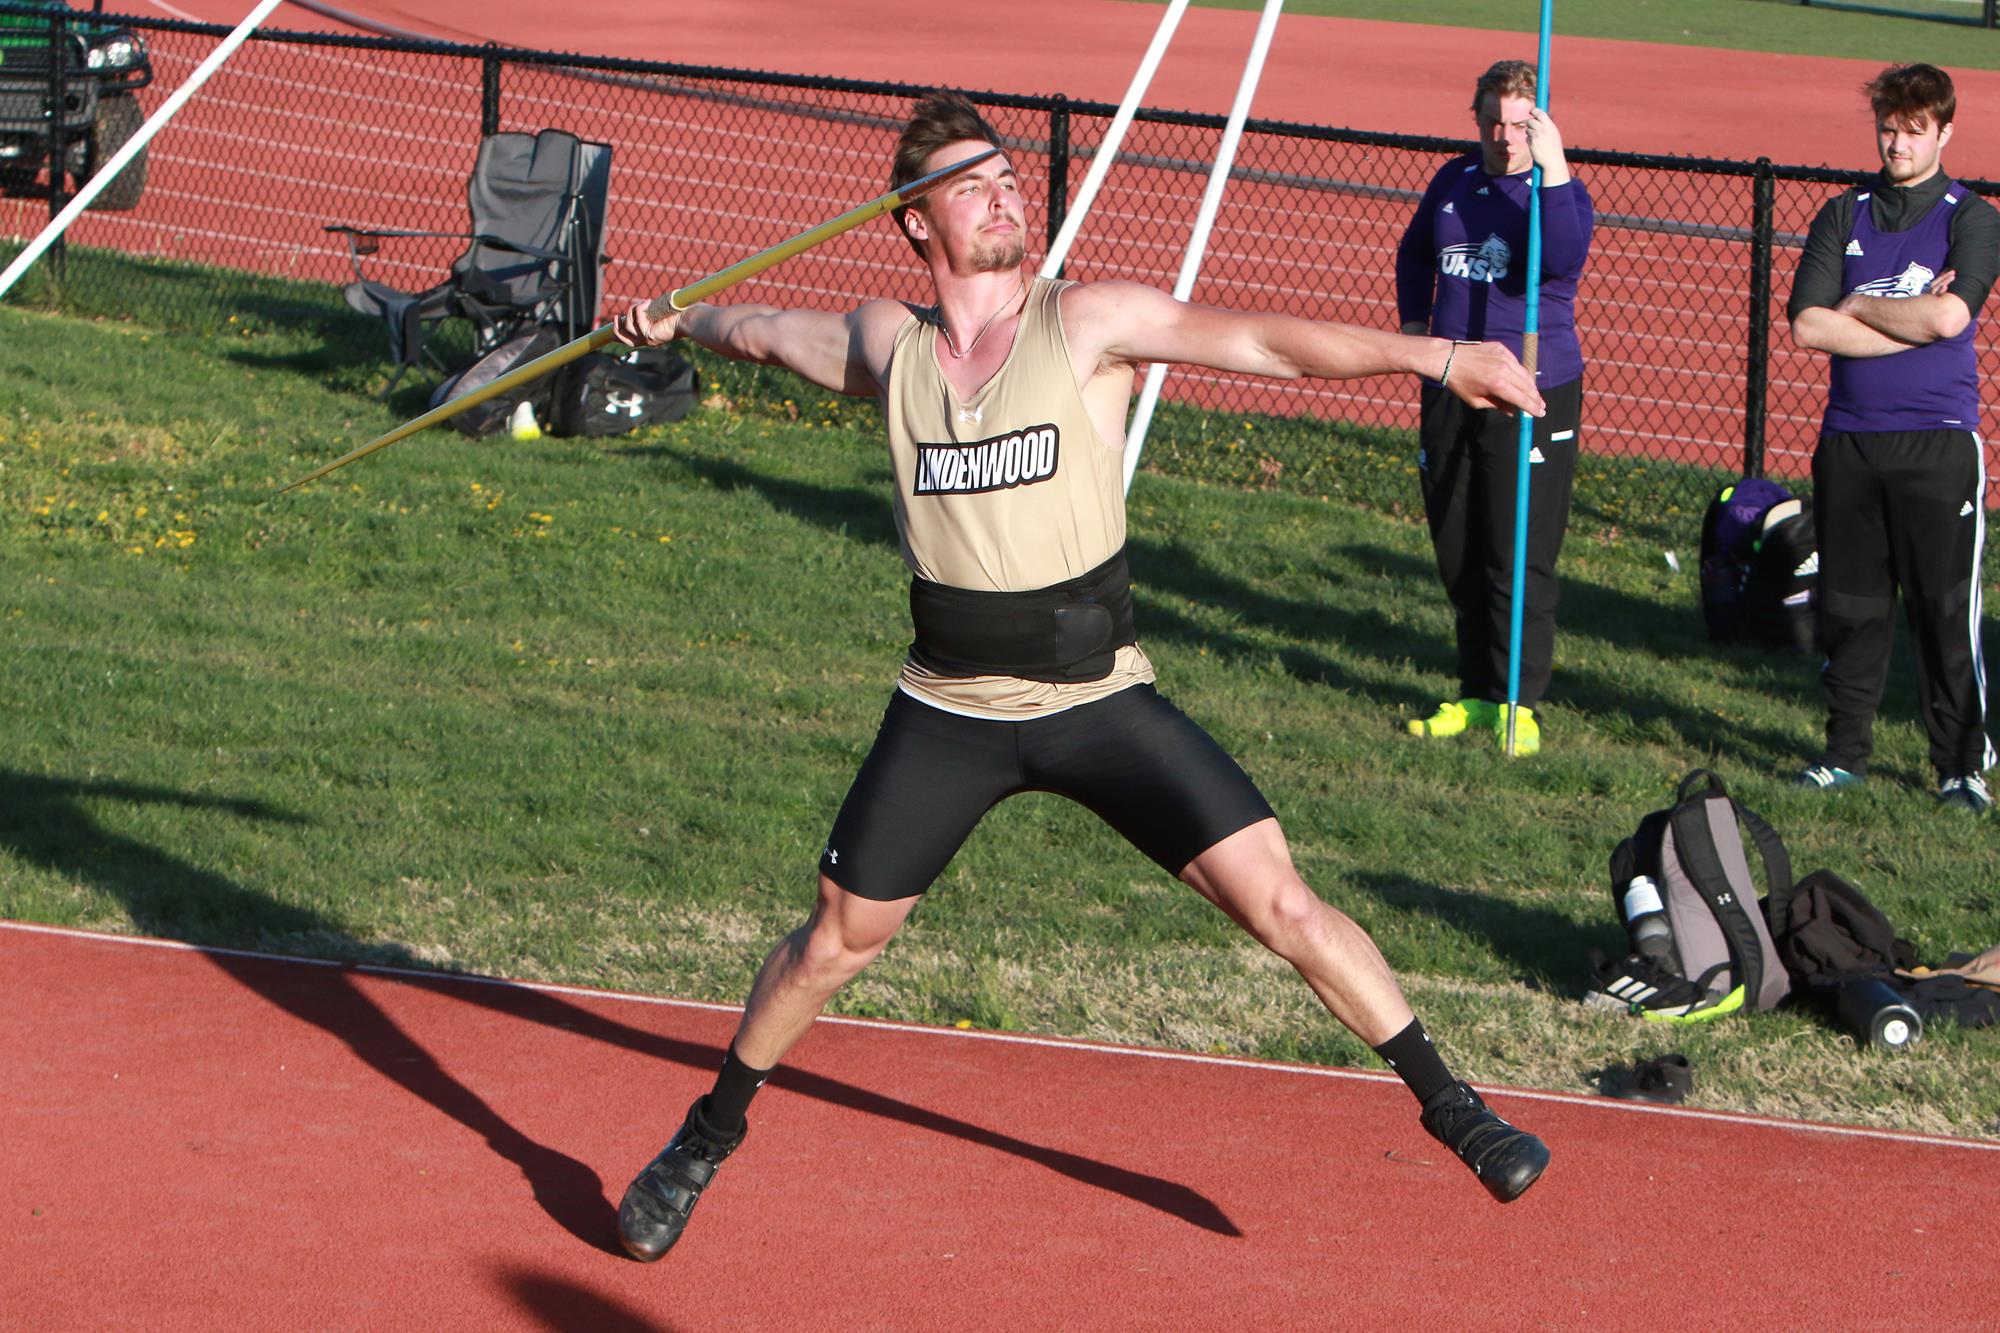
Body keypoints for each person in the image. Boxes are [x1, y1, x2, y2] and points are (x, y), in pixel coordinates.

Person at [607, 92, 1553, 1265]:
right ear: (915, 223)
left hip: (1100, 700)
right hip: (949, 710)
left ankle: (1452, 1105)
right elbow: (758, 331)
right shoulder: (884, 348)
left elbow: (1261, 343)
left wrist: (1438, 352)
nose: (1006, 194)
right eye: (972, 185)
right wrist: (676, 319)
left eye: (1007, 177)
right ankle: (703, 1137)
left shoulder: (1088, 322)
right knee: (830, 943)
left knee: (1280, 901)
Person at [1785, 63, 2000, 813]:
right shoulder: (1844, 213)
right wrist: (1900, 314)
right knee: (1851, 607)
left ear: (1944, 131)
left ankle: (1960, 765)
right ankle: (1844, 753)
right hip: (1850, 441)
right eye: (1888, 127)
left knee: (1944, 611)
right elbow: (1808, 323)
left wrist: (1859, 307)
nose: (1897, 143)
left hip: (1938, 446)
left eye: (1913, 130)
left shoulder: (1970, 218)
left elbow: (1951, 319)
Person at [1395, 60, 1592, 756]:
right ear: (1475, 119)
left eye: (1519, 124)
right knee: (1458, 543)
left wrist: (1556, 165)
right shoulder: (1453, 180)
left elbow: (1565, 259)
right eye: (1494, 122)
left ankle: (1519, 701)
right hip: (1450, 379)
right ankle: (1476, 690)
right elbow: (1416, 252)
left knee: (1518, 550)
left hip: (1527, 384)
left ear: (1536, 126)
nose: (1505, 137)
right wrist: (1415, 332)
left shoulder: (1551, 191)